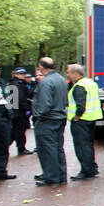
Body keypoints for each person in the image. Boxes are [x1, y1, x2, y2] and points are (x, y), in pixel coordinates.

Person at [31, 57, 68, 187]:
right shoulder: (61, 79)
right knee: (58, 148)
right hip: (60, 117)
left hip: (48, 120)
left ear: (41, 67)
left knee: (47, 149)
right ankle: (61, 175)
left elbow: (45, 104)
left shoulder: (46, 82)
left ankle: (51, 177)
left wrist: (38, 115)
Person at [65, 64, 101, 180]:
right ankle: (92, 168)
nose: (67, 74)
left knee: (82, 147)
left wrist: (77, 116)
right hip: (91, 118)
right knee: (89, 145)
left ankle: (86, 171)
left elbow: (80, 105)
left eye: (69, 72)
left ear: (75, 74)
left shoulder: (79, 86)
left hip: (82, 120)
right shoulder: (90, 83)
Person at [10, 67, 36, 155]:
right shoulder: (17, 85)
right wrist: (27, 108)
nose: (23, 75)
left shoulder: (17, 83)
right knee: (19, 131)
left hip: (18, 111)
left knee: (18, 131)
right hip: (19, 112)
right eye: (21, 74)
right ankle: (21, 148)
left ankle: (20, 147)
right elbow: (21, 99)